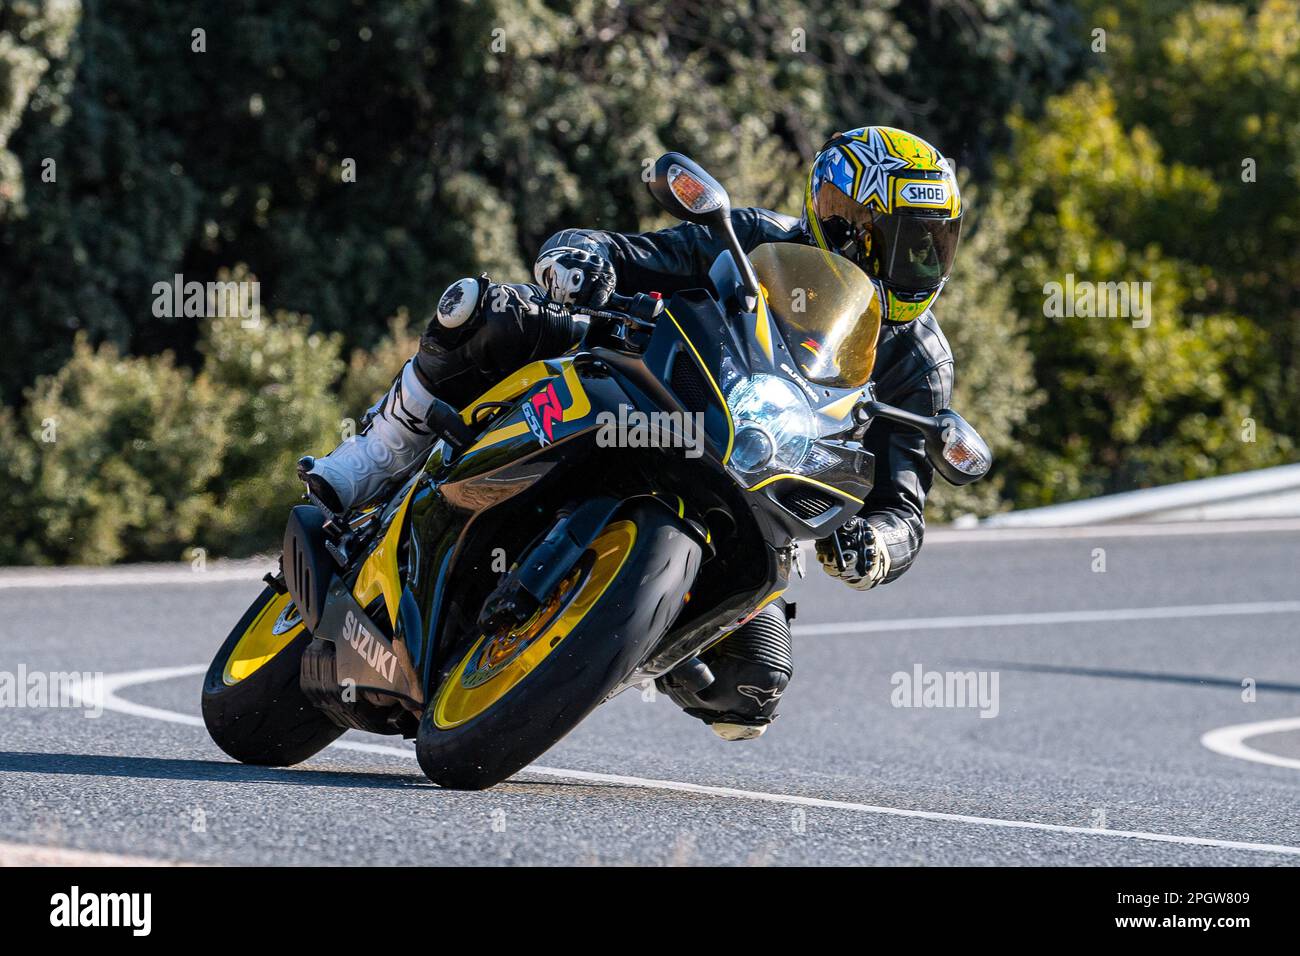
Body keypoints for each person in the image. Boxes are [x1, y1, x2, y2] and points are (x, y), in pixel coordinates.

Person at [299, 126, 961, 740]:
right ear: (849, 224)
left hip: (759, 486)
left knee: (750, 690)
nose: (926, 261)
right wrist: (583, 262)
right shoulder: (755, 241)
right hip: (650, 390)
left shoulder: (920, 361)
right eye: (910, 239)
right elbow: (624, 252)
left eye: (938, 242)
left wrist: (874, 545)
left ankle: (607, 644)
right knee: (488, 309)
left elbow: (903, 507)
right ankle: (370, 458)